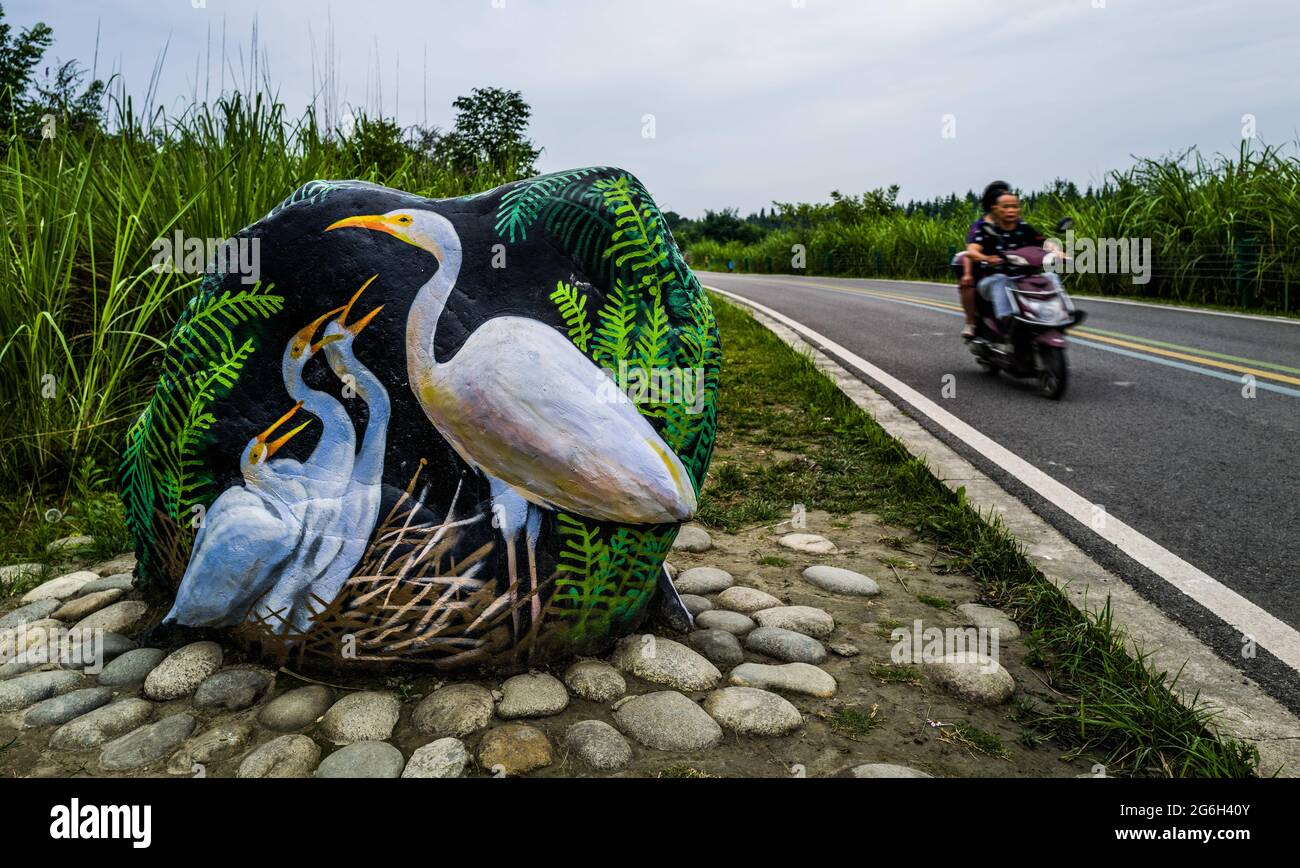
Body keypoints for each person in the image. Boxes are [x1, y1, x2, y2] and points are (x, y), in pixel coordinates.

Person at [967, 190, 1050, 343]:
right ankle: (1006, 321)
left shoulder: (1024, 228)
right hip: (991, 280)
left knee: (1050, 277)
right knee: (1002, 280)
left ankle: (1060, 314)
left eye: (1014, 206)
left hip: (1022, 279)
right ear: (995, 209)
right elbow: (972, 251)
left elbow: (1043, 242)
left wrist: (1058, 251)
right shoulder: (985, 229)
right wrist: (986, 258)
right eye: (1005, 207)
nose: (1011, 210)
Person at [958, 181, 1010, 339]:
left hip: (1012, 269)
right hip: (986, 270)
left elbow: (1033, 240)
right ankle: (971, 322)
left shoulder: (1014, 224)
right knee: (968, 283)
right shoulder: (980, 226)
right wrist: (984, 260)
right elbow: (971, 251)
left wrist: (1054, 250)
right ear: (993, 204)